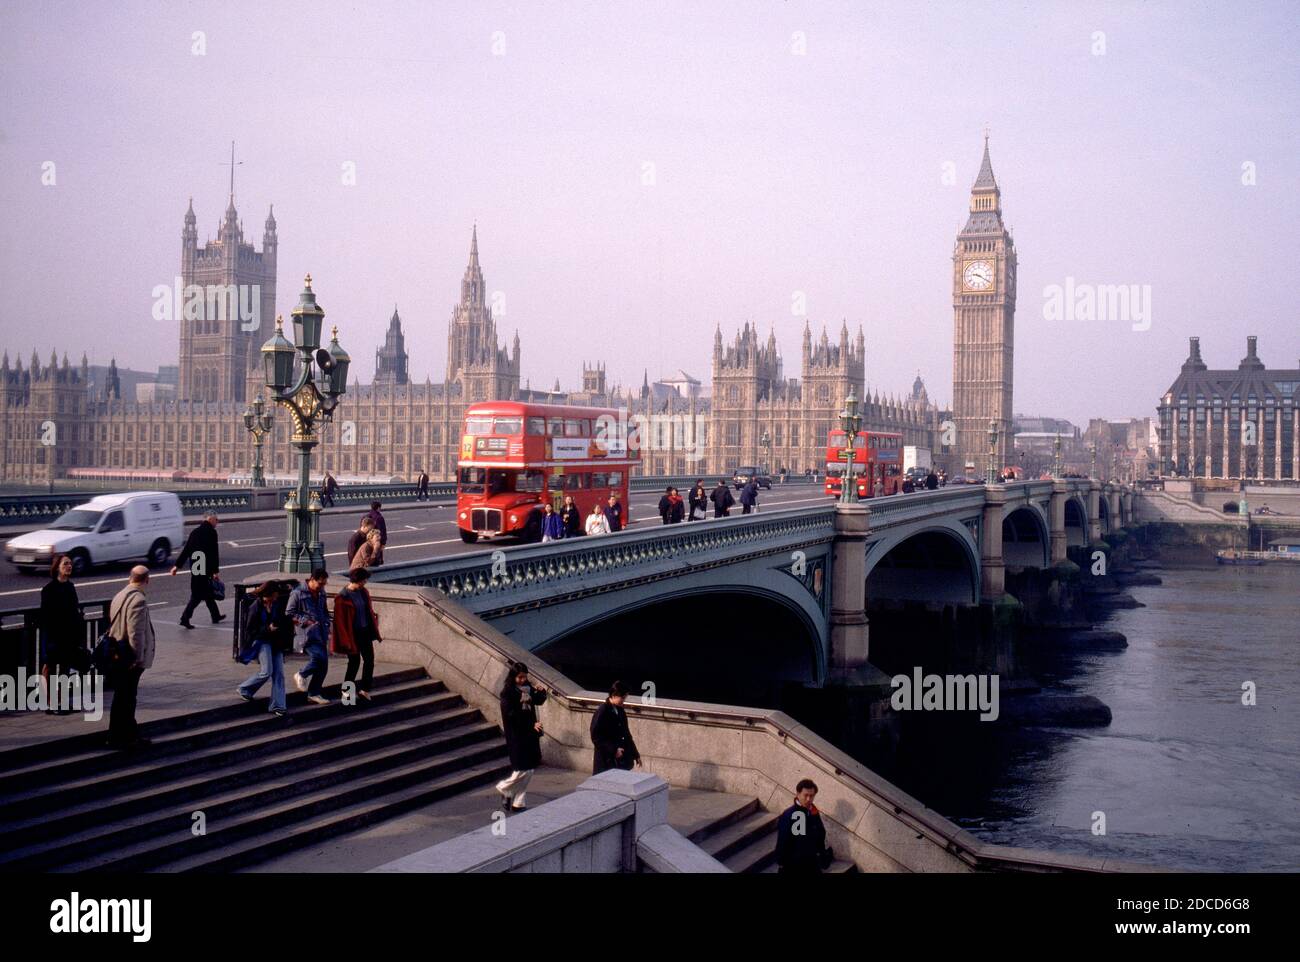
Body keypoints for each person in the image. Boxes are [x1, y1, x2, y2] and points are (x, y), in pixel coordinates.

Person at [105, 566, 155, 749]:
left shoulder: (119, 595)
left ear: (130, 578)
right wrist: (137, 658)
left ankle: (118, 735)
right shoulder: (138, 600)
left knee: (121, 696)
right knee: (127, 698)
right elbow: (136, 634)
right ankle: (123, 737)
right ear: (147, 580)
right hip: (128, 657)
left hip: (116, 653)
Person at [496, 662, 549, 813]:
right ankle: (504, 789)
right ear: (513, 677)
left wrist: (541, 691)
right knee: (523, 768)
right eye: (519, 677)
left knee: (529, 769)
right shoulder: (507, 693)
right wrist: (531, 725)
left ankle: (518, 801)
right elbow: (511, 715)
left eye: (524, 677)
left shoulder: (528, 688)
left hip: (530, 733)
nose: (522, 680)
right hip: (517, 735)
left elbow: (539, 700)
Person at [238, 580, 294, 716]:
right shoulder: (255, 607)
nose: (276, 597)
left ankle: (278, 705)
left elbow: (283, 621)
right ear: (269, 594)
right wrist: (267, 629)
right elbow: (250, 630)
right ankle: (244, 688)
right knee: (267, 671)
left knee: (279, 674)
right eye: (275, 594)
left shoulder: (277, 605)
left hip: (276, 641)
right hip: (262, 641)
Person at [39, 554, 82, 713]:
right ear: (57, 567)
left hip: (68, 636)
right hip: (54, 636)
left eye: (70, 563)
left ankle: (62, 701)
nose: (69, 566)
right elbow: (47, 616)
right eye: (65, 564)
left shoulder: (70, 587)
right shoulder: (49, 589)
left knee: (64, 669)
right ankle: (50, 703)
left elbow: (74, 611)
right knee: (50, 669)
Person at [332, 568, 381, 701]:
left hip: (365, 631)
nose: (365, 582)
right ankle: (346, 692)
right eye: (364, 580)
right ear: (357, 580)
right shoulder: (342, 598)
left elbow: (368, 611)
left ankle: (365, 689)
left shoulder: (363, 592)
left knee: (369, 660)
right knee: (354, 662)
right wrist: (345, 641)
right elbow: (340, 623)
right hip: (352, 635)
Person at [288, 568, 332, 705]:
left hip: (321, 632)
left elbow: (324, 610)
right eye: (320, 583)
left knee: (323, 665)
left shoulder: (321, 593)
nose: (322, 586)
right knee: (318, 657)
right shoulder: (297, 593)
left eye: (324, 584)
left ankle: (314, 693)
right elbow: (289, 613)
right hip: (306, 633)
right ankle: (302, 674)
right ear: (312, 580)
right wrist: (305, 621)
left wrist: (327, 623)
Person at [172, 513, 224, 630]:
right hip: (205, 567)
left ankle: (215, 616)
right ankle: (185, 618)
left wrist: (177, 566)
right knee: (197, 595)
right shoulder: (212, 532)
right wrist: (215, 571)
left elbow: (186, 550)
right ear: (210, 519)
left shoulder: (195, 532)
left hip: (196, 566)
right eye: (216, 520)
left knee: (207, 592)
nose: (217, 522)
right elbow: (213, 553)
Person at [775, 778, 832, 874]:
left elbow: (820, 836)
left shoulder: (813, 812)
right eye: (806, 795)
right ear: (798, 794)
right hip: (796, 866)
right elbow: (784, 841)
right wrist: (781, 862)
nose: (809, 799)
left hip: (812, 863)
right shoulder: (792, 814)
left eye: (811, 796)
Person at [590, 680, 641, 774]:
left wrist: (635, 754)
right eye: (622, 698)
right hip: (606, 760)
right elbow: (596, 737)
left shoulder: (620, 711)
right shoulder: (602, 711)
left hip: (619, 760)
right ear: (614, 695)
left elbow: (627, 734)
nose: (624, 701)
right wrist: (613, 750)